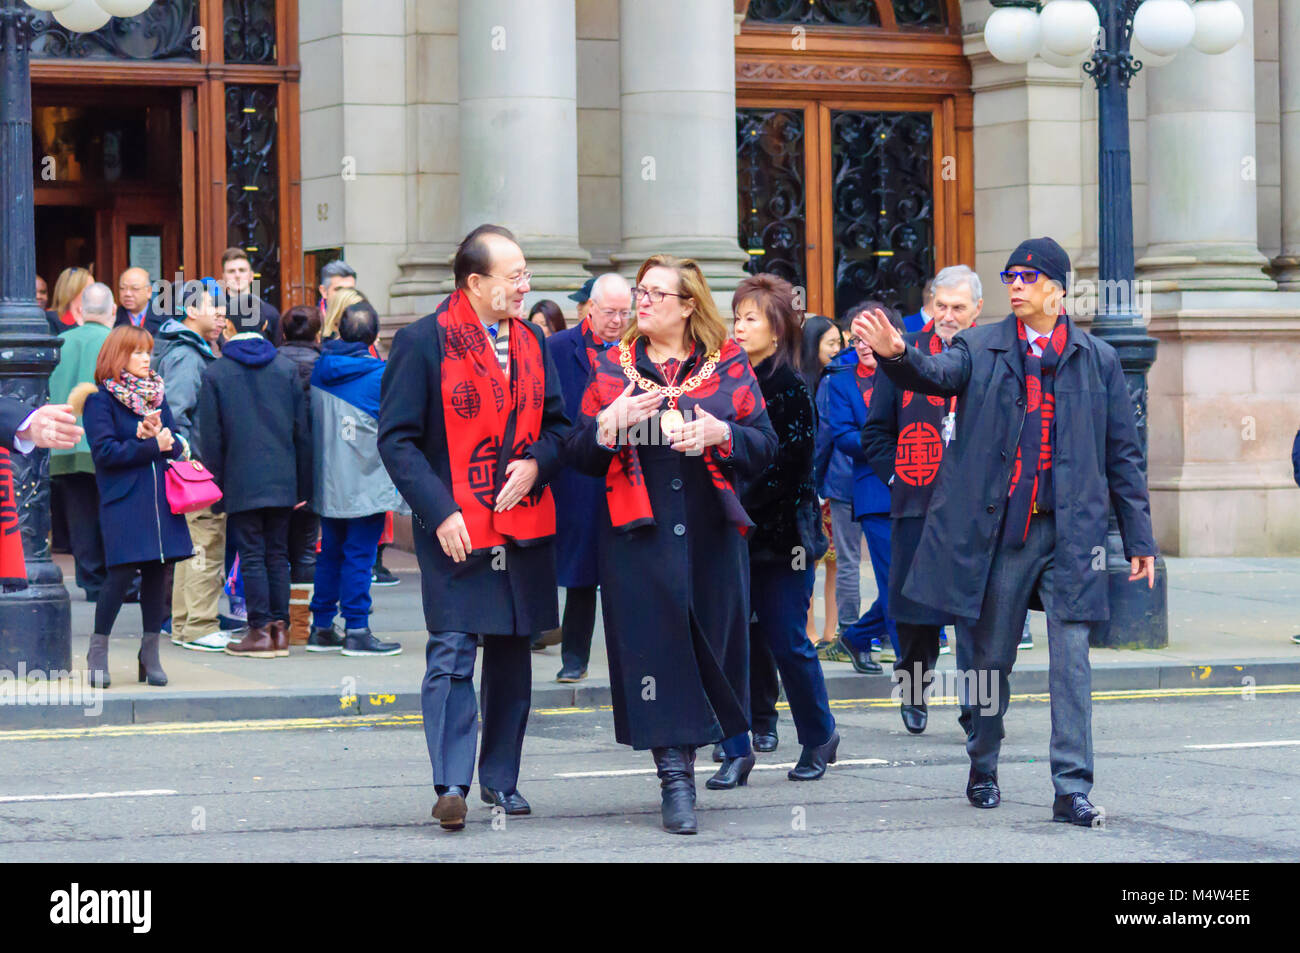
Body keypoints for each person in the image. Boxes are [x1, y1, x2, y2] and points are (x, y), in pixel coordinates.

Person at [853, 236, 1158, 826]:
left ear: (1057, 288)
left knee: (1072, 662)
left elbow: (1124, 455)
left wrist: (1139, 537)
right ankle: (983, 762)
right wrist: (895, 355)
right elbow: (936, 373)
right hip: (1004, 535)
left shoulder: (1098, 360)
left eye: (1027, 277)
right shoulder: (980, 345)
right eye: (1009, 276)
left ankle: (1071, 787)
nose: (1015, 286)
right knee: (989, 662)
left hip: (1073, 535)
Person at [564, 253, 777, 835]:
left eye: (658, 293)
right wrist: (607, 426)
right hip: (638, 533)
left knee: (711, 640)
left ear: (689, 306)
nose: (644, 301)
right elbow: (577, 453)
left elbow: (765, 446)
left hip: (711, 531)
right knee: (654, 649)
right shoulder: (613, 365)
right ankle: (674, 780)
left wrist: (721, 433)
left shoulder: (726, 362)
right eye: (641, 291)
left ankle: (730, 738)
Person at [379, 224, 570, 832]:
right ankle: (452, 784)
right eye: (514, 276)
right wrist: (442, 511)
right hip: (456, 529)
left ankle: (501, 781)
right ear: (476, 282)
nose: (525, 285)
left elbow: (561, 428)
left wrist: (539, 461)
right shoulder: (422, 342)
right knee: (454, 652)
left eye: (526, 275)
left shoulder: (535, 341)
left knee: (513, 657)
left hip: (522, 524)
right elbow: (398, 440)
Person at [710, 274, 837, 790]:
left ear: (778, 328)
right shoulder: (726, 378)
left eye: (751, 318)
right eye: (736, 317)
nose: (739, 327)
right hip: (731, 534)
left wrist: (740, 503)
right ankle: (736, 746)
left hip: (783, 537)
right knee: (732, 643)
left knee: (787, 641)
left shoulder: (788, 389)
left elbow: (793, 469)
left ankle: (818, 735)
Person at [863, 265, 982, 734]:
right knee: (915, 616)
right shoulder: (902, 357)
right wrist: (897, 477)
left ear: (976, 310)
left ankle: (977, 709)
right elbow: (875, 434)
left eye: (958, 307)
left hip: (973, 510)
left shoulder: (990, 356)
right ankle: (912, 693)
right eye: (941, 306)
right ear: (929, 306)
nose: (948, 315)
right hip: (915, 505)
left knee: (975, 616)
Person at [81, 325, 193, 688]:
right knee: (120, 575)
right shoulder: (100, 400)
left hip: (161, 500)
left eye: (148, 351)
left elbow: (176, 446)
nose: (147, 358)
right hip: (124, 500)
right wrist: (146, 442)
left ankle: (150, 654)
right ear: (119, 357)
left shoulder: (156, 396)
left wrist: (164, 439)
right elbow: (105, 453)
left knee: (159, 574)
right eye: (138, 352)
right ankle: (97, 651)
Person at [198, 320, 312, 660]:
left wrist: (215, 486)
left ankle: (259, 629)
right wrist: (304, 485)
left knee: (251, 554)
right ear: (265, 330)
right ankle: (279, 631)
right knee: (277, 553)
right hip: (282, 478)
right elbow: (301, 431)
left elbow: (211, 438)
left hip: (240, 477)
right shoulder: (286, 368)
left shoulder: (216, 373)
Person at [545, 272, 631, 682]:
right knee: (579, 571)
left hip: (625, 467)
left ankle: (627, 662)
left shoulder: (637, 350)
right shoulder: (558, 347)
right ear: (590, 309)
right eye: (610, 312)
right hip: (576, 468)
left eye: (624, 313)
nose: (617, 320)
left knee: (623, 574)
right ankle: (573, 657)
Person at [307, 300, 403, 656]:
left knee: (330, 553)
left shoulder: (321, 369)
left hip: (328, 479)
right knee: (360, 555)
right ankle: (357, 629)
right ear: (374, 337)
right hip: (366, 481)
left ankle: (321, 627)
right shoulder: (380, 375)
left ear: (339, 330)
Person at [822, 301, 907, 676]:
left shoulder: (910, 370)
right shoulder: (839, 380)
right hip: (872, 490)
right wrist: (896, 444)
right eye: (855, 338)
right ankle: (913, 677)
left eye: (868, 336)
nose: (862, 344)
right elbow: (843, 437)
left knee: (911, 582)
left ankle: (855, 638)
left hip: (924, 489)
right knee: (893, 582)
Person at [154, 279, 231, 652]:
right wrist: (189, 459)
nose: (221, 314)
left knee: (194, 544)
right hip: (195, 467)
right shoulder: (187, 354)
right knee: (205, 541)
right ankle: (198, 625)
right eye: (212, 307)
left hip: (190, 466)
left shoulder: (189, 348)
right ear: (190, 311)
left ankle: (185, 624)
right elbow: (177, 411)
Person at [48, 281, 114, 601]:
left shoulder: (59, 340)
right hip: (105, 443)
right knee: (111, 511)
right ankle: (117, 581)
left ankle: (91, 582)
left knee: (79, 516)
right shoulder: (115, 341)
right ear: (112, 311)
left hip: (62, 442)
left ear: (79, 310)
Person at [801, 314, 848, 647]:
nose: (837, 349)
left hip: (835, 484)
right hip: (810, 486)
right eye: (830, 343)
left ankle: (833, 631)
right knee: (809, 563)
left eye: (839, 343)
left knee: (836, 561)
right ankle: (809, 629)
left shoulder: (839, 378)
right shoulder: (801, 383)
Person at [279, 305, 324, 589]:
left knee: (274, 549)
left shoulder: (271, 364)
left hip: (276, 468)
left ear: (283, 332)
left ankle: (275, 622)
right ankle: (301, 624)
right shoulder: (326, 367)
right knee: (306, 551)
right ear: (317, 334)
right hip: (315, 467)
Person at [221, 247, 281, 344]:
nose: (237, 275)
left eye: (242, 270)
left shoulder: (268, 312)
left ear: (251, 276)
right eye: (231, 271)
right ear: (223, 277)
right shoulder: (217, 312)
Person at [115, 267, 166, 336]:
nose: (127, 294)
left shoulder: (164, 318)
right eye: (122, 288)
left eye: (135, 288)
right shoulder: (113, 317)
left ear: (149, 291)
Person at [51, 266, 92, 331]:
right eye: (89, 289)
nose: (94, 293)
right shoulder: (51, 319)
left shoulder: (97, 319)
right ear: (72, 291)